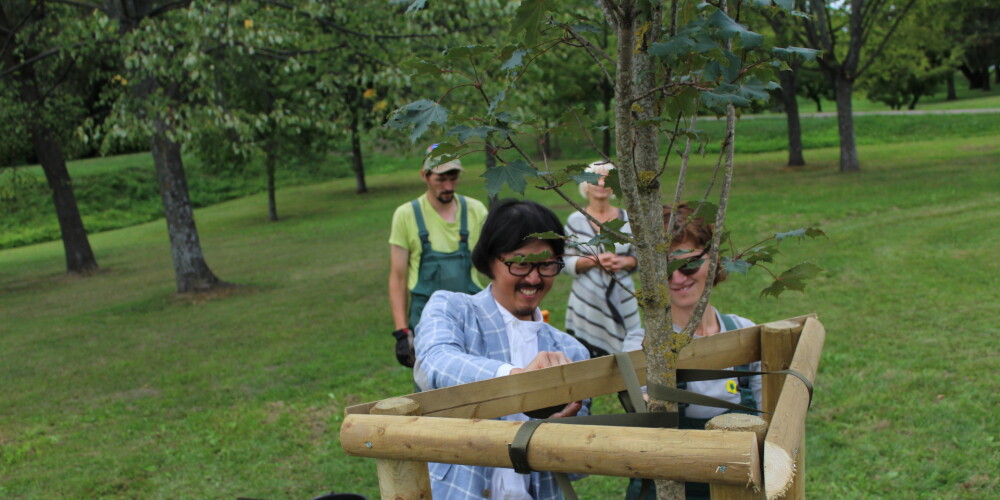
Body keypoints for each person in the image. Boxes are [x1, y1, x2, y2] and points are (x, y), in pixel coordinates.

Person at [415, 199, 590, 500]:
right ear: (490, 260)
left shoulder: (569, 350)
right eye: (520, 263)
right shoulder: (452, 309)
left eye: (546, 264)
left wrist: (563, 434)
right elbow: (436, 364)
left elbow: (576, 467)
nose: (534, 278)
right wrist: (518, 378)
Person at [624, 203, 763, 500]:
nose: (678, 278)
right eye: (665, 269)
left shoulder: (744, 334)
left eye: (687, 264)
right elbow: (646, 429)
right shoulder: (642, 346)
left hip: (740, 487)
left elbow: (772, 418)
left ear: (712, 261)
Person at [388, 144, 488, 367]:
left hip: (470, 316)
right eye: (441, 180)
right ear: (424, 176)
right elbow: (398, 278)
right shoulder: (406, 215)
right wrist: (402, 331)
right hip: (426, 321)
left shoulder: (476, 210)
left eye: (453, 178)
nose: (448, 186)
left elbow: (495, 266)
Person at [562, 161, 643, 358]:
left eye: (608, 179)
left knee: (632, 357)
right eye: (596, 178)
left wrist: (625, 262)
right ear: (585, 184)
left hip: (623, 295)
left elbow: (641, 257)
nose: (601, 183)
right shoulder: (575, 220)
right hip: (586, 300)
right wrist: (593, 260)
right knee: (583, 362)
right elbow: (565, 261)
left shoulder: (628, 219)